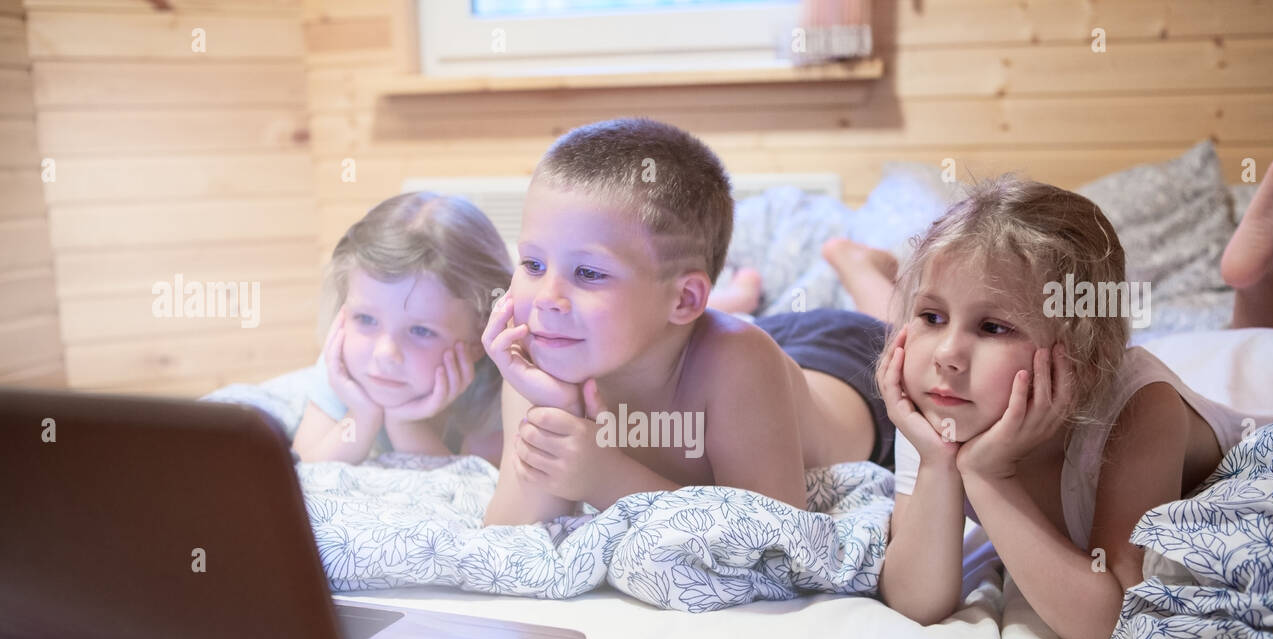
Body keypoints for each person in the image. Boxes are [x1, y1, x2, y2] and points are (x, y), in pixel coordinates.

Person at [874, 142, 1273, 639]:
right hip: (1173, 362)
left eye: (992, 326)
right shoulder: (937, 403)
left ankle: (1260, 278)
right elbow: (916, 602)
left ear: (1079, 352)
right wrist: (940, 465)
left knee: (1264, 361)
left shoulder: (1140, 412)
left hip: (1252, 402)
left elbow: (1113, 629)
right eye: (931, 317)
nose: (946, 355)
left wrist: (987, 477)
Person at [481, 117, 896, 526]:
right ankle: (747, 294)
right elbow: (509, 539)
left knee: (897, 347)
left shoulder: (738, 367)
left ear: (683, 299)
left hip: (844, 362)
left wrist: (606, 479)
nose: (547, 300)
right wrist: (555, 409)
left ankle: (858, 267)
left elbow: (772, 539)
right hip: (706, 334)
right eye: (533, 263)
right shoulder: (539, 355)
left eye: (588, 273)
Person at [292, 192, 512, 466]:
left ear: (481, 336)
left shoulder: (498, 391)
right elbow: (304, 474)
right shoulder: (342, 368)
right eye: (366, 319)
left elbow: (472, 497)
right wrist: (362, 416)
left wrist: (405, 425)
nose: (385, 354)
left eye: (421, 331)